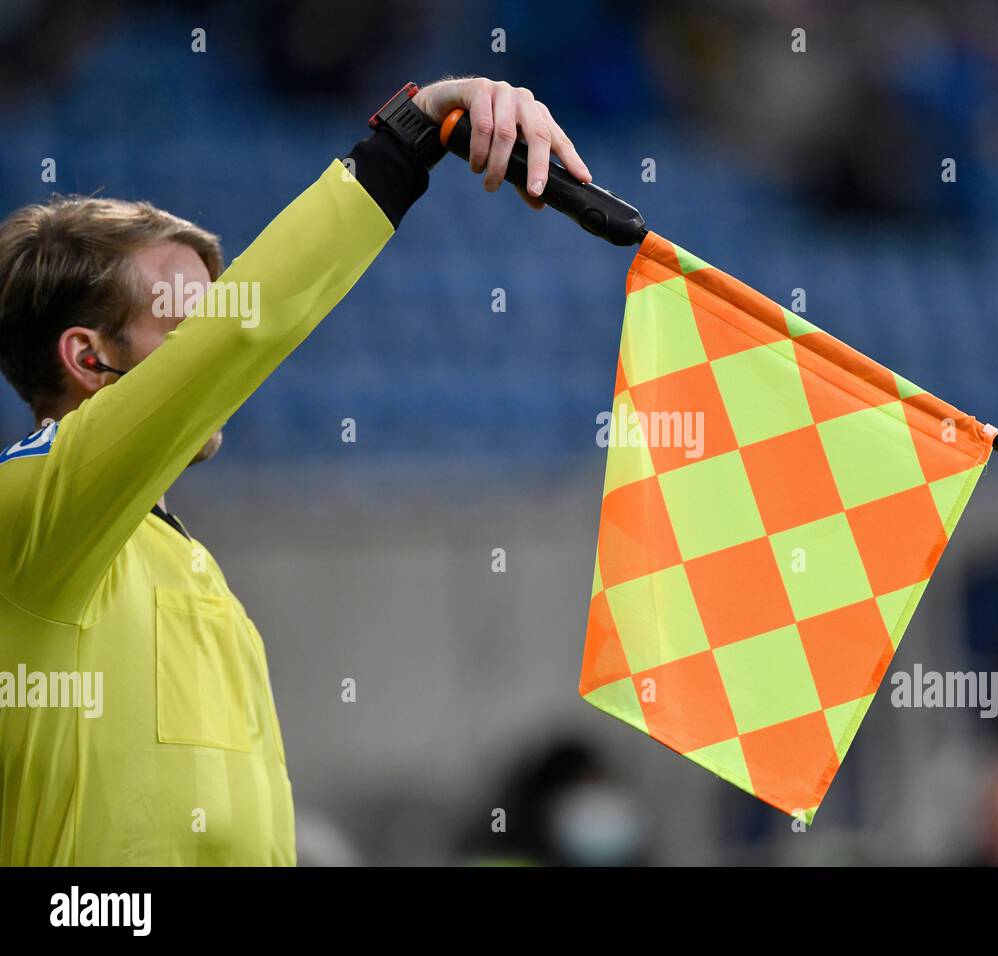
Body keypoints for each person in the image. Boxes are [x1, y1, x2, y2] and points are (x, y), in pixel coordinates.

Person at [0, 76, 589, 865]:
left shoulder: (187, 565)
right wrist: (407, 140)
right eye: (190, 329)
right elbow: (250, 329)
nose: (214, 361)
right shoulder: (33, 509)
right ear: (87, 357)